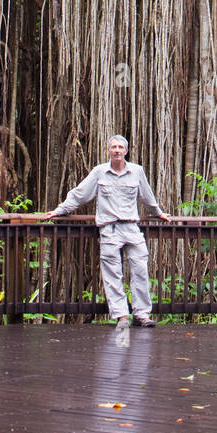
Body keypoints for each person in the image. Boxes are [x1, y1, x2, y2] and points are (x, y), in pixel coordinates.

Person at [45, 135, 172, 326]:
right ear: (109, 150)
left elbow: (147, 196)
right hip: (109, 229)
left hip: (131, 228)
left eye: (121, 147)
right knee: (113, 274)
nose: (117, 150)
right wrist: (59, 210)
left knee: (140, 270)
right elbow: (80, 194)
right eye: (114, 147)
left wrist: (159, 213)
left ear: (126, 151)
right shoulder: (99, 172)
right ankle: (121, 315)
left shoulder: (137, 171)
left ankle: (142, 314)